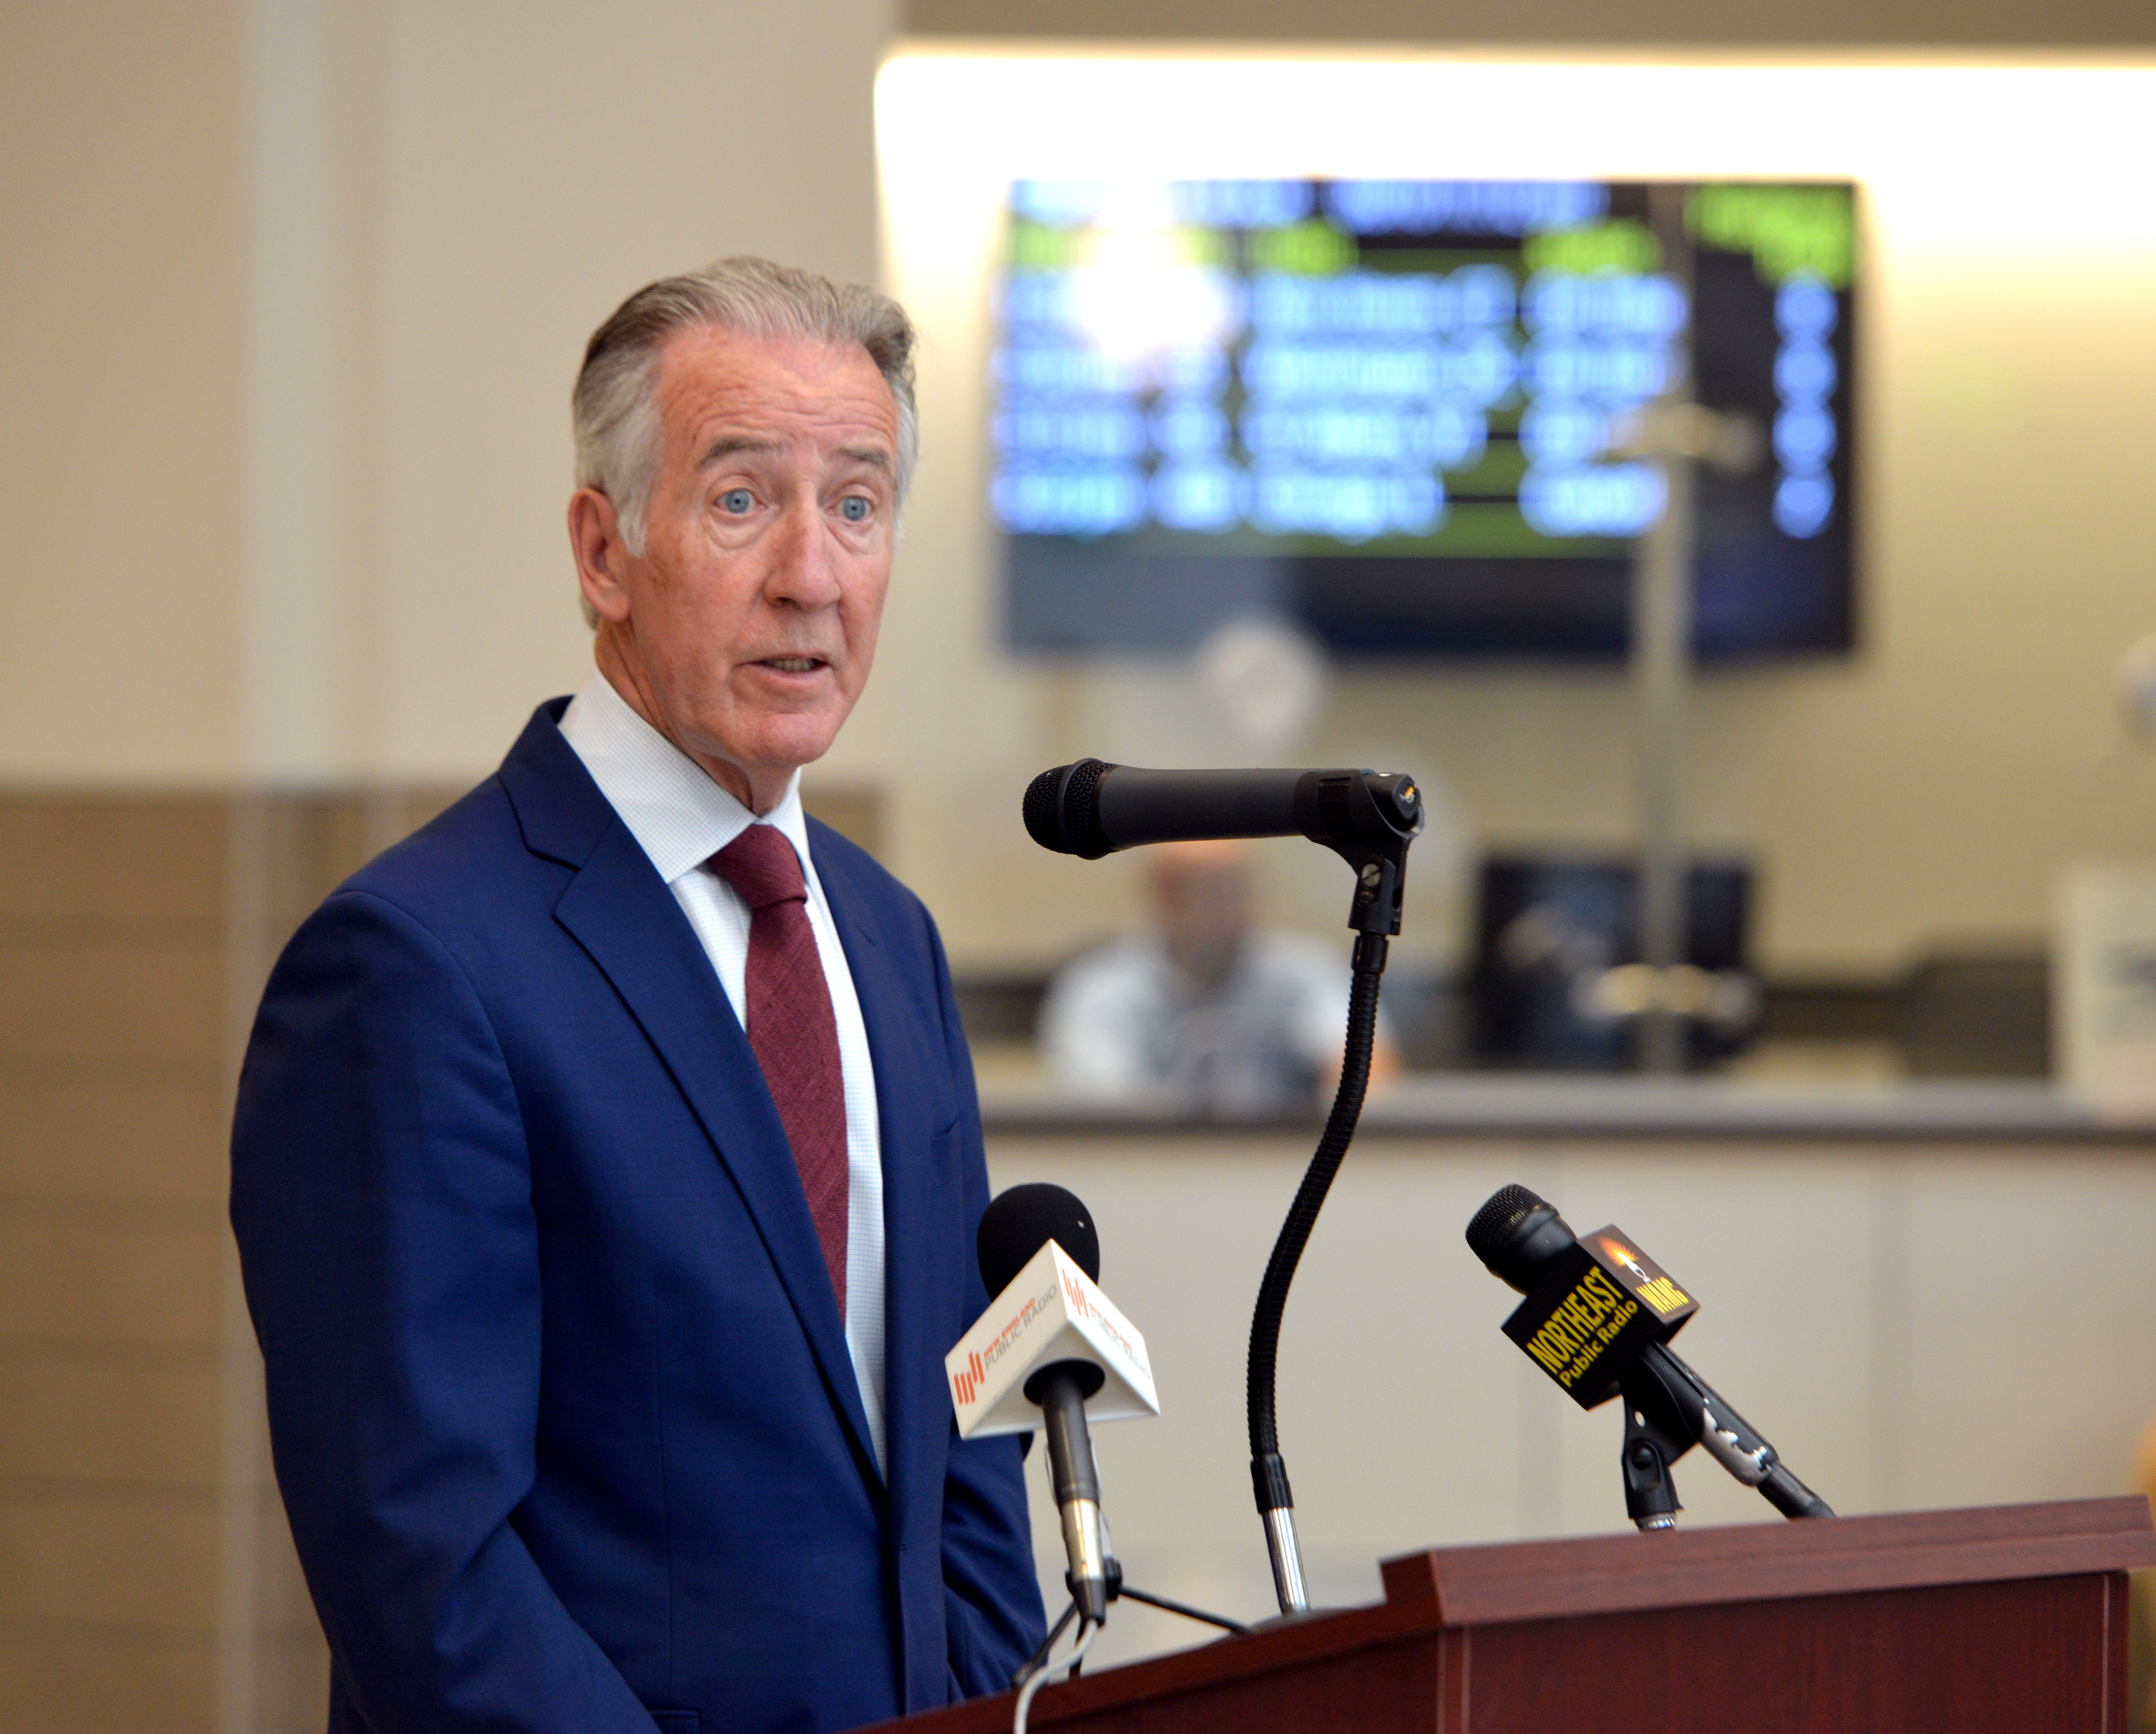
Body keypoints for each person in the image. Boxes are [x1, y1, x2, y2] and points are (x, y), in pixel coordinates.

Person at [230, 259, 1045, 1732]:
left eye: (857, 505)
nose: (812, 572)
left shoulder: (888, 933)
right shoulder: (415, 962)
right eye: (743, 500)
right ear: (604, 552)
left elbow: (964, 1447)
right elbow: (425, 1563)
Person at [1038, 838, 1382, 1117]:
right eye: (1213, 891)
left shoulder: (1304, 968)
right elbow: (1104, 1110)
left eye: (1241, 888)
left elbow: (1370, 1072)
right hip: (1155, 1176)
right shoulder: (1101, 987)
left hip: (1284, 1169)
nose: (1234, 906)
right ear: (1165, 898)